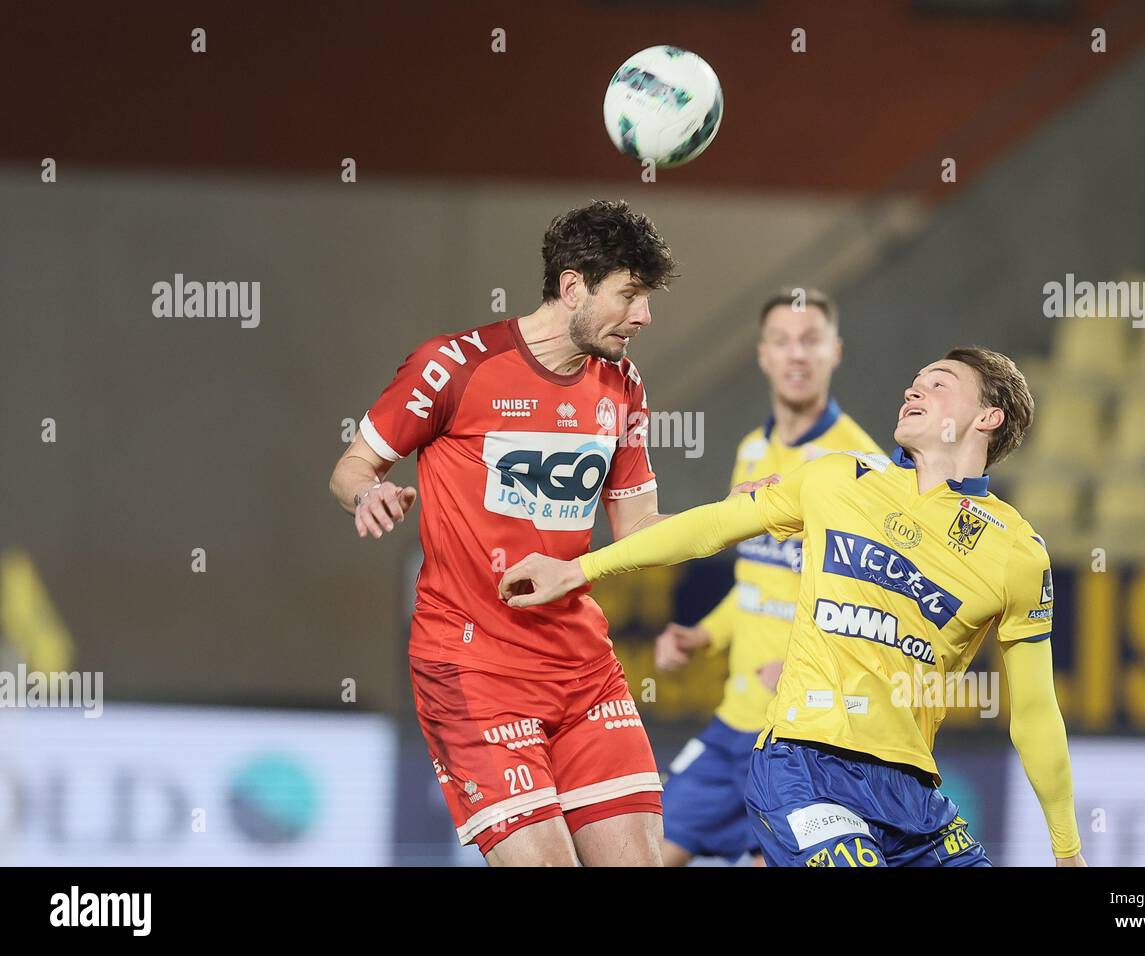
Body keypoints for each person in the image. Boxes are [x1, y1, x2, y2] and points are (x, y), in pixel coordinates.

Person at [500, 347, 1086, 867]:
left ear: (988, 417)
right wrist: (580, 569)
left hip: (913, 793)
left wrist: (1067, 852)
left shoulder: (1017, 553)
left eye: (938, 383)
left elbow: (1035, 713)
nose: (913, 389)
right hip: (802, 766)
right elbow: (710, 527)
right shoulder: (838, 479)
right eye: (914, 380)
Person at [329, 200, 679, 866]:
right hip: (471, 670)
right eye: (630, 295)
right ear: (572, 286)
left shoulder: (623, 384)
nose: (644, 316)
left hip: (584, 671)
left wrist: (745, 516)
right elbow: (351, 467)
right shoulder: (452, 367)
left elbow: (639, 531)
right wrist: (368, 493)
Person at [654, 288, 882, 866]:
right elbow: (758, 579)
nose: (796, 355)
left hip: (801, 739)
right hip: (736, 722)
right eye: (782, 342)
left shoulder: (860, 467)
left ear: (836, 351)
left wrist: (817, 671)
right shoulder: (752, 450)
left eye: (810, 341)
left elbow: (882, 604)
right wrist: (702, 635)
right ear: (762, 355)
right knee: (642, 853)